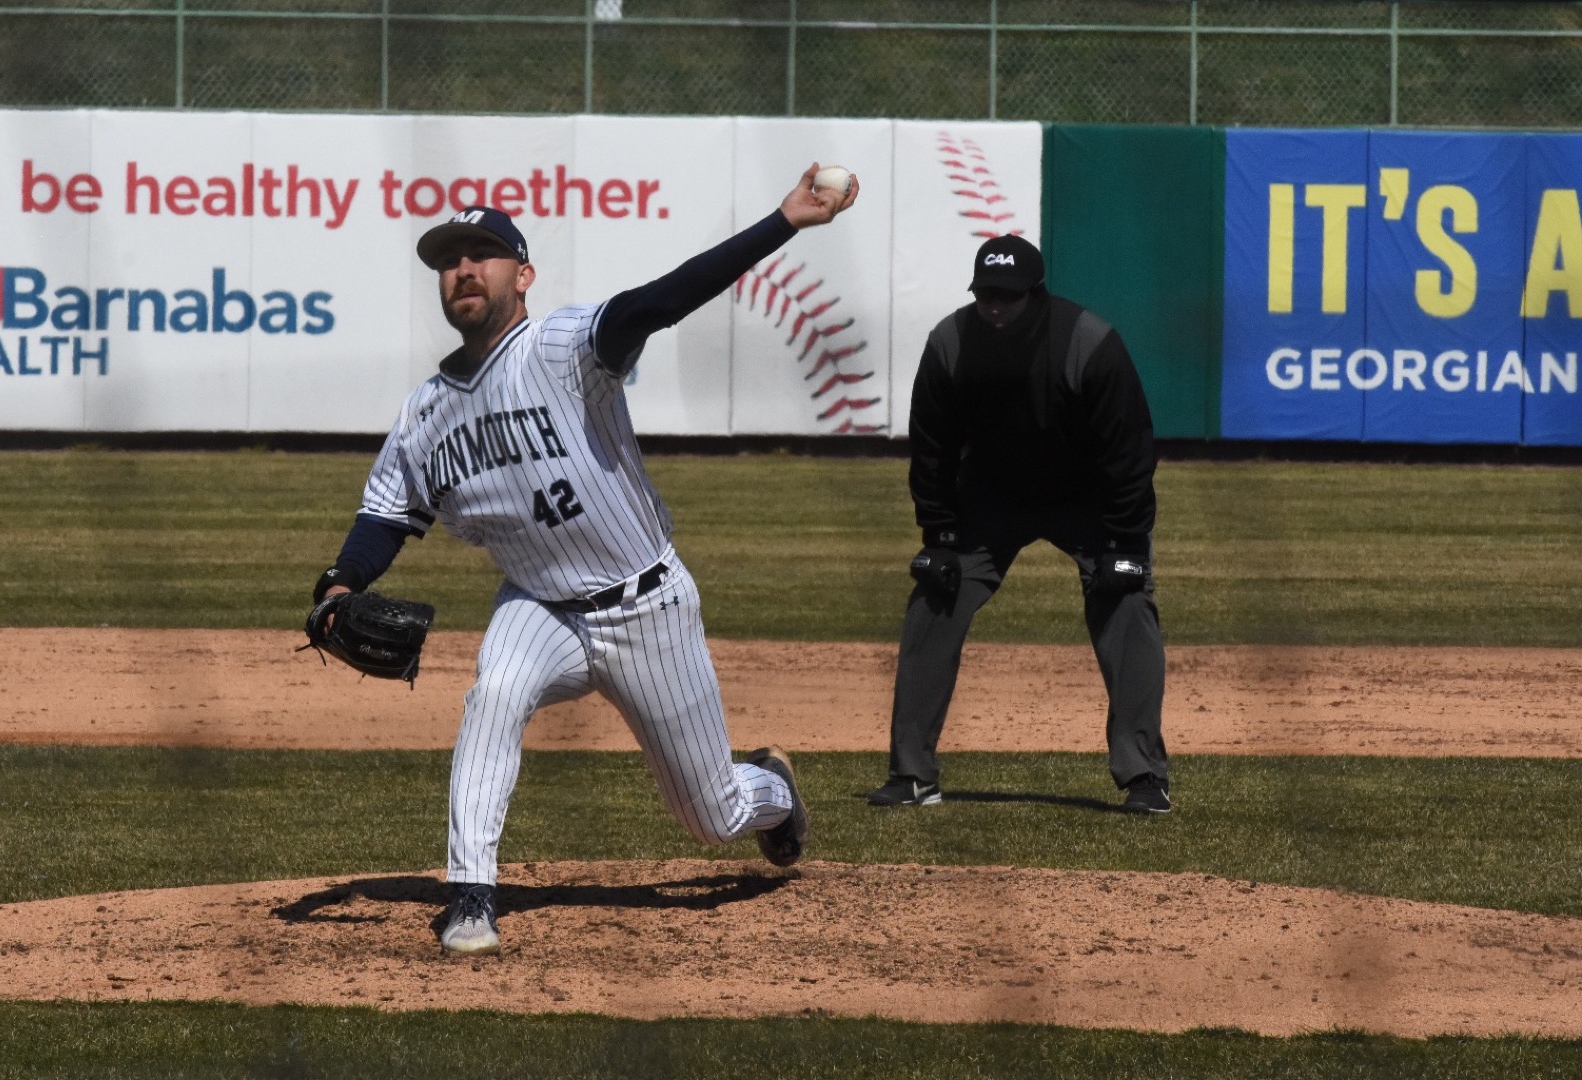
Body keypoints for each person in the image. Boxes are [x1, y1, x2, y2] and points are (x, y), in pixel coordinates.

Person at [314, 165, 858, 955]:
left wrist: (784, 221)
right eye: (450, 258)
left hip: (647, 607)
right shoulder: (424, 412)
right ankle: (471, 896)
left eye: (483, 253)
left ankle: (773, 788)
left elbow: (663, 299)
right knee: (493, 693)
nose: (464, 268)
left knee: (713, 816)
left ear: (522, 274)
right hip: (537, 606)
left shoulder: (565, 345)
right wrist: (339, 584)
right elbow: (387, 515)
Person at [865, 234, 1170, 814]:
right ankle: (912, 776)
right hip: (992, 496)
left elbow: (1128, 450)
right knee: (936, 595)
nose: (996, 307)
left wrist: (1125, 543)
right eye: (987, 295)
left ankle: (1144, 778)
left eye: (1008, 296)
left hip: (1087, 499)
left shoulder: (1087, 342)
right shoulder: (951, 342)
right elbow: (933, 449)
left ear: (1035, 293)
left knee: (1125, 599)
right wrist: (941, 537)